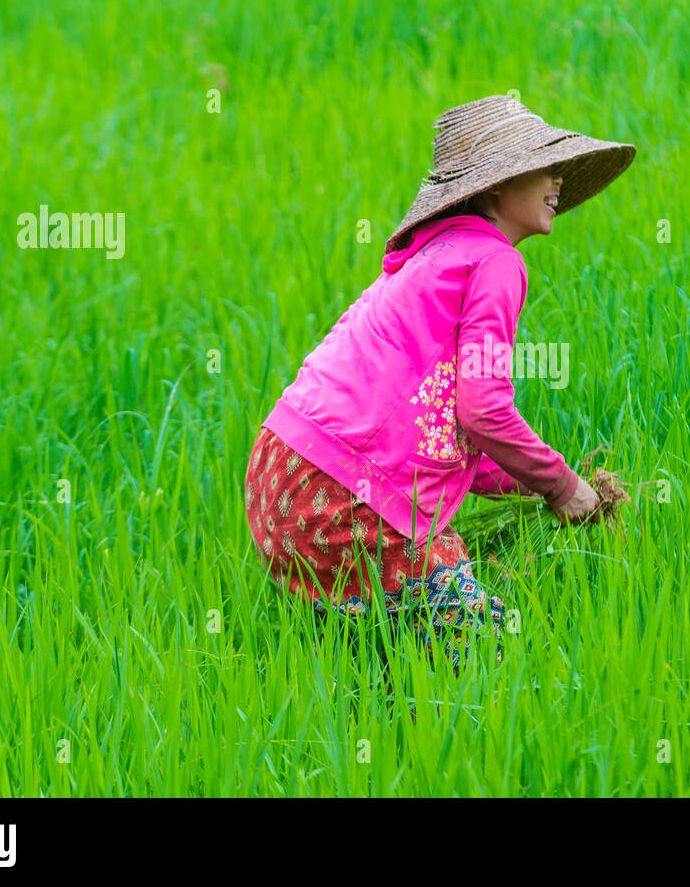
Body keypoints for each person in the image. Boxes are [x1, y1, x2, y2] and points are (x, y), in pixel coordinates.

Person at [243, 94, 636, 667]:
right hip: (348, 496)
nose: (557, 180)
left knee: (373, 658)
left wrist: (540, 484)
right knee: (490, 661)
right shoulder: (497, 262)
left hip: (284, 474)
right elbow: (486, 413)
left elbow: (443, 437)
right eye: (541, 166)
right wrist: (562, 487)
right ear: (496, 184)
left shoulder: (438, 257)